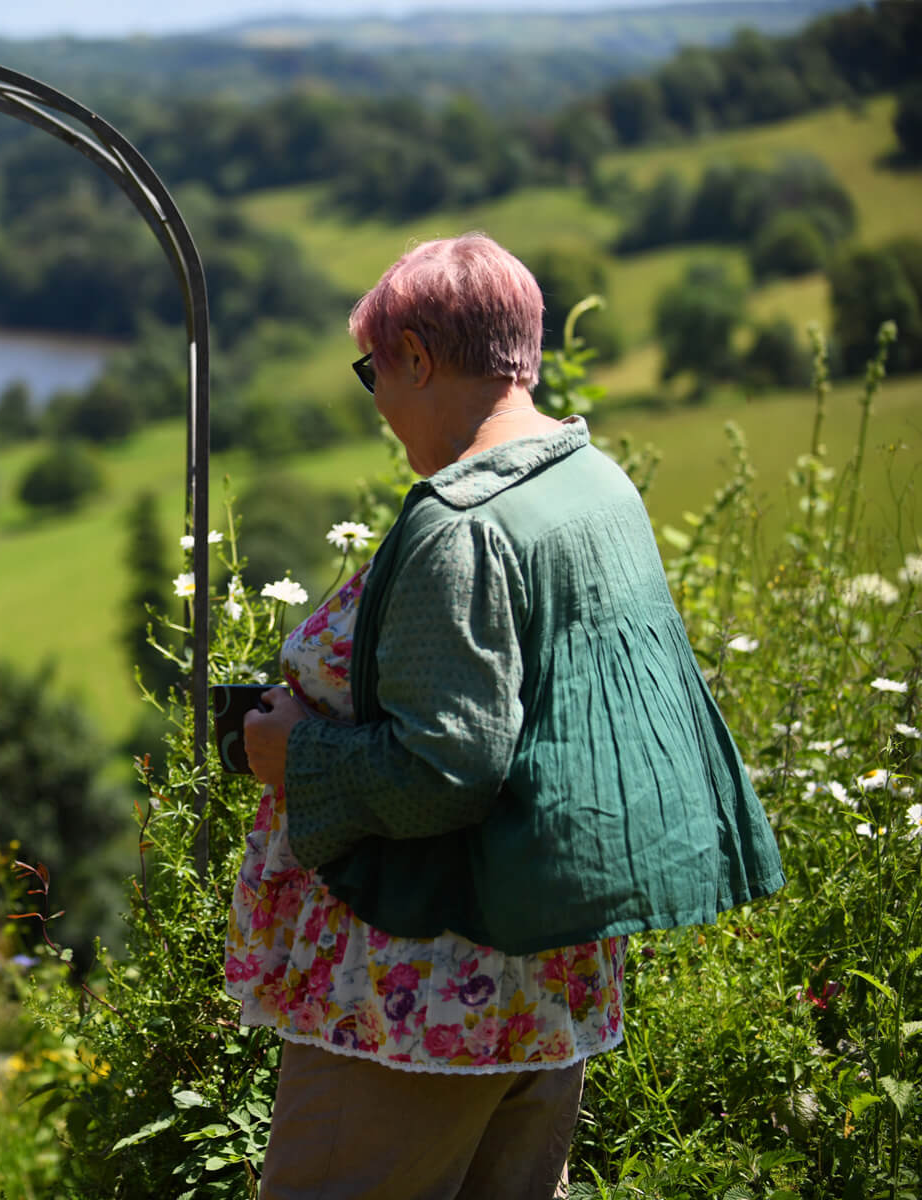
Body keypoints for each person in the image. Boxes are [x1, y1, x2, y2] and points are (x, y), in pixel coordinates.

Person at [233, 234, 784, 1199]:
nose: (378, 403)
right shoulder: (592, 484)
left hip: (419, 1001)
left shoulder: (463, 527)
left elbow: (444, 770)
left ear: (416, 356)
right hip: (546, 981)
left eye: (375, 372)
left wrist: (295, 754)